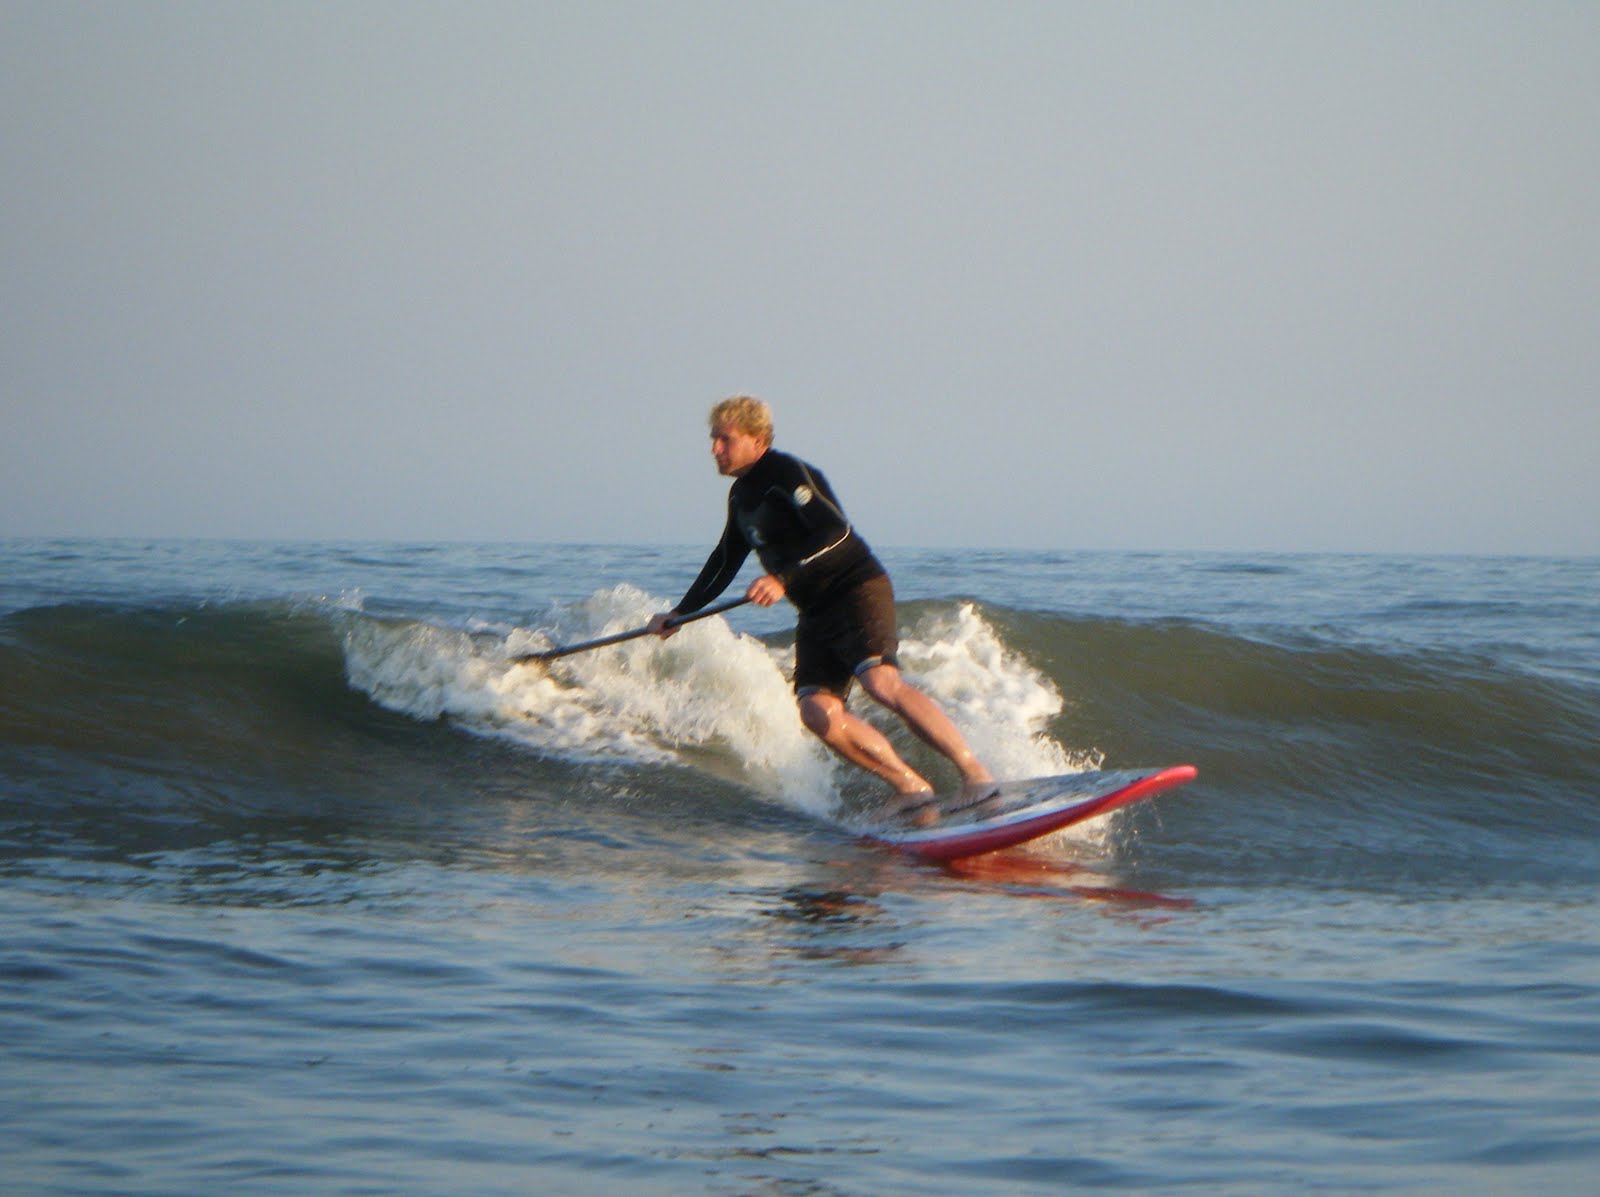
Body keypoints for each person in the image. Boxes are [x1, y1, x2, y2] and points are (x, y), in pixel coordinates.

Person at [647, 395, 993, 815]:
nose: (715, 449)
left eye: (725, 439)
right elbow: (724, 560)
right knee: (816, 712)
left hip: (855, 587)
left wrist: (782, 577)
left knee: (881, 683)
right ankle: (911, 787)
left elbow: (835, 532)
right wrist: (680, 613)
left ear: (758, 440)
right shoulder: (740, 497)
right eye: (713, 439)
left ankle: (977, 776)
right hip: (814, 609)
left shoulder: (785, 472)